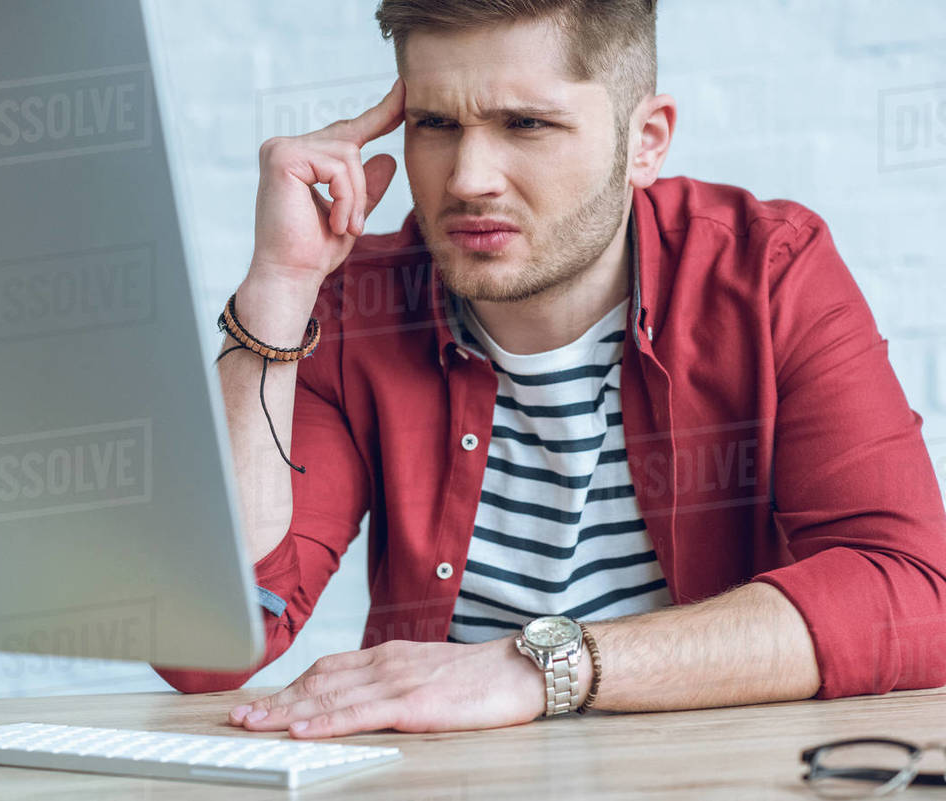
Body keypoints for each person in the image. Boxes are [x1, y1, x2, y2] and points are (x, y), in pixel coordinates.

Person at [153, 0, 946, 739]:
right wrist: (277, 290)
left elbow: (915, 594)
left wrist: (540, 665)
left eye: (525, 123)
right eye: (434, 123)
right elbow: (210, 644)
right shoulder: (357, 303)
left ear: (647, 140)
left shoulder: (768, 273)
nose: (467, 179)